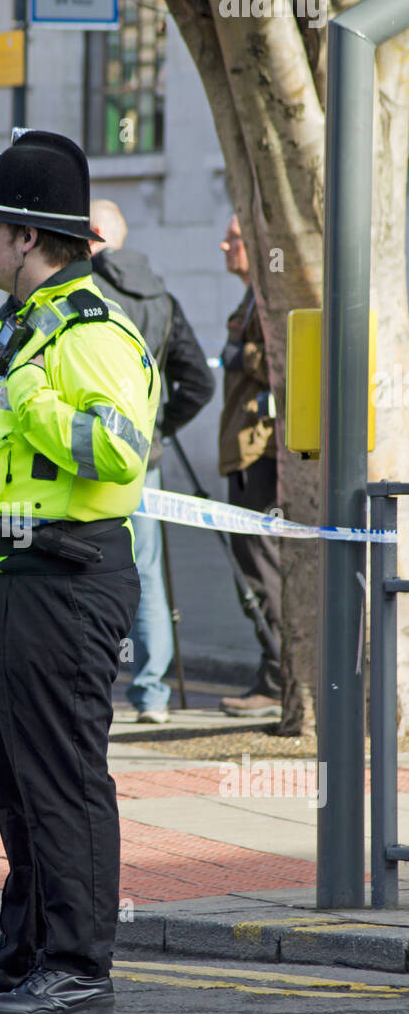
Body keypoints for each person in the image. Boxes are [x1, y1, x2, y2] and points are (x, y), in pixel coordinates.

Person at [0, 131, 160, 1014]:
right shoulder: (21, 328)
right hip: (3, 574)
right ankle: (20, 954)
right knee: (13, 779)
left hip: (64, 578)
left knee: (61, 778)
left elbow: (119, 451)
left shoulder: (88, 331)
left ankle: (77, 965)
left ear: (27, 238)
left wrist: (30, 394)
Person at [89, 199, 214, 724]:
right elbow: (200, 382)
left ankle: (91, 688)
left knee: (88, 568)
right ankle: (152, 695)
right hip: (147, 459)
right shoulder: (161, 295)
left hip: (92, 453)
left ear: (92, 236)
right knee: (149, 575)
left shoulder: (85, 292)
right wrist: (157, 427)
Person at [217, 213, 282, 719]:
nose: (224, 245)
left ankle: (279, 677)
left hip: (261, 452)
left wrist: (244, 356)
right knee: (253, 568)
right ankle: (275, 671)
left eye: (234, 239)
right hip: (245, 448)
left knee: (263, 569)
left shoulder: (271, 294)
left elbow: (284, 363)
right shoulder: (252, 295)